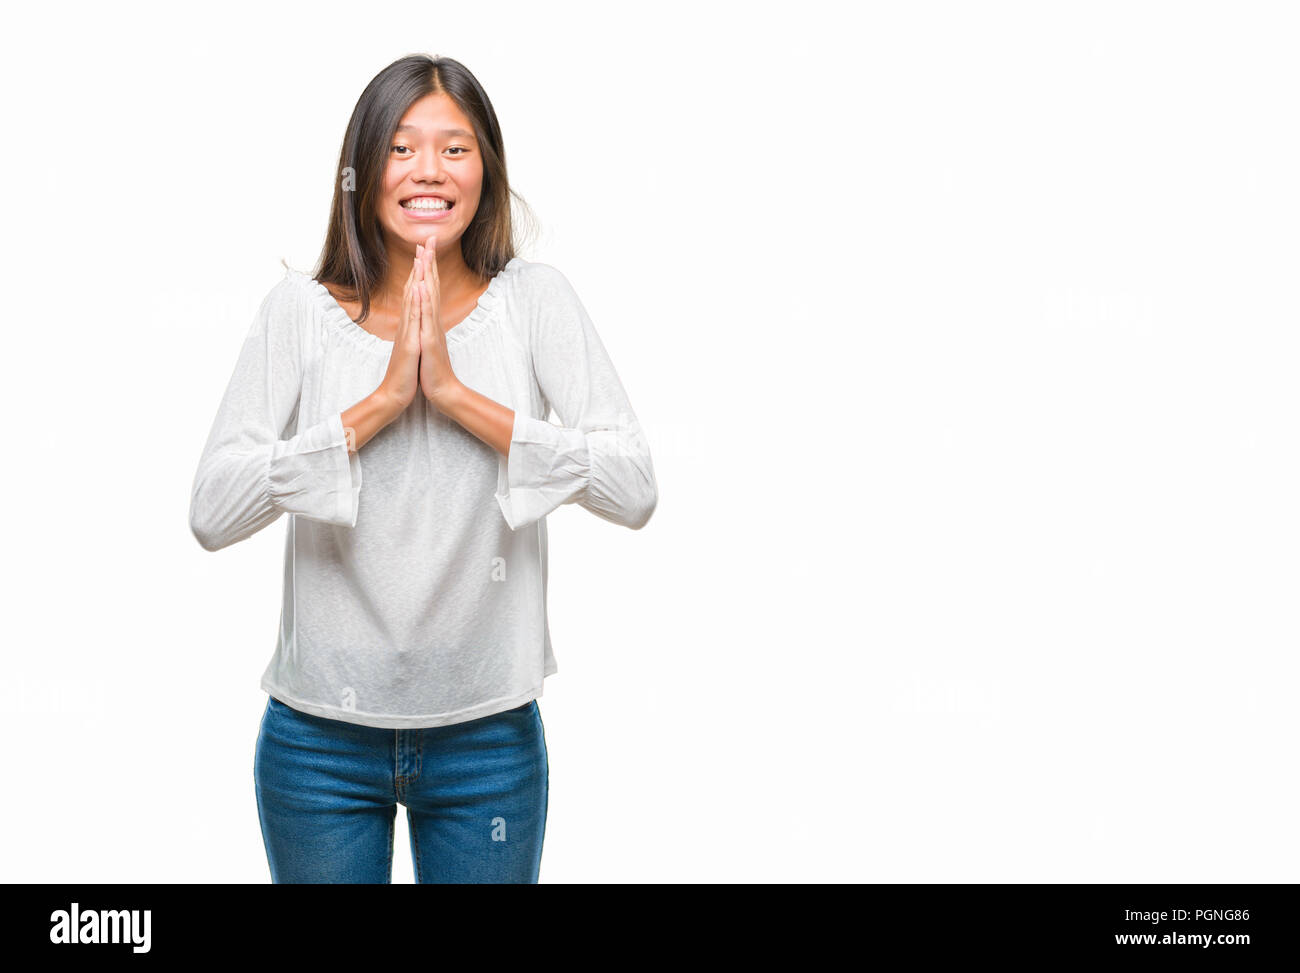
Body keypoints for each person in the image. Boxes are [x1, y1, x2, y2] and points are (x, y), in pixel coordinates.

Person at [188, 54, 658, 883]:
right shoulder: (299, 312)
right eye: (403, 148)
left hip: (488, 742)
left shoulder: (534, 302)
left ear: (488, 170)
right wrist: (372, 409)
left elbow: (634, 487)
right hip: (318, 744)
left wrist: (454, 394)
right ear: (362, 171)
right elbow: (213, 510)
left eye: (456, 147)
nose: (429, 171)